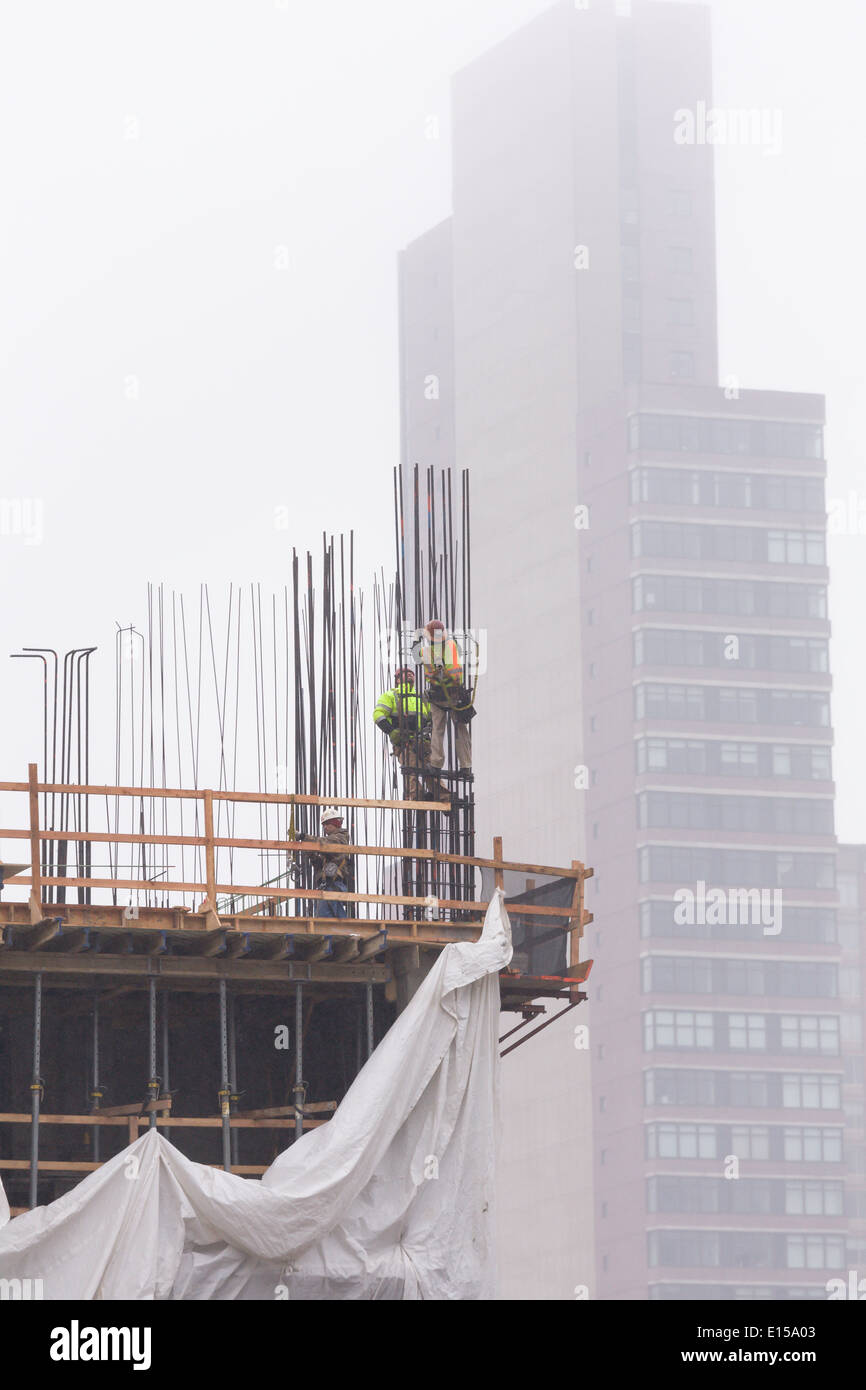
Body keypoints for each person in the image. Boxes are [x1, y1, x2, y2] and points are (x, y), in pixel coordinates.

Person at [421, 619, 475, 772]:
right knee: (460, 730)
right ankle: (466, 765)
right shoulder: (450, 646)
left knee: (437, 729)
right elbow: (456, 674)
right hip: (454, 695)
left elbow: (418, 656)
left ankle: (436, 764)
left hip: (439, 695)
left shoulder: (426, 651)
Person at [373, 667, 431, 800]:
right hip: (406, 743)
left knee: (432, 772)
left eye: (412, 674)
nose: (411, 675)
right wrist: (391, 731)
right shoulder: (391, 695)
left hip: (424, 742)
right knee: (411, 772)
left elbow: (430, 718)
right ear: (398, 680)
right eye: (406, 674)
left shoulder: (421, 697)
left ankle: (444, 798)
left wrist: (428, 730)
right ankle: (418, 798)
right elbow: (378, 714)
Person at [303, 806, 351, 919]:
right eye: (323, 825)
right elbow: (319, 865)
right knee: (329, 916)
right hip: (326, 885)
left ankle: (348, 932)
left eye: (327, 824)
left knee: (324, 918)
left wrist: (304, 837)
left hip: (334, 884)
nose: (324, 827)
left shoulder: (340, 838)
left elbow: (324, 843)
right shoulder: (328, 842)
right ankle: (347, 932)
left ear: (335, 823)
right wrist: (311, 854)